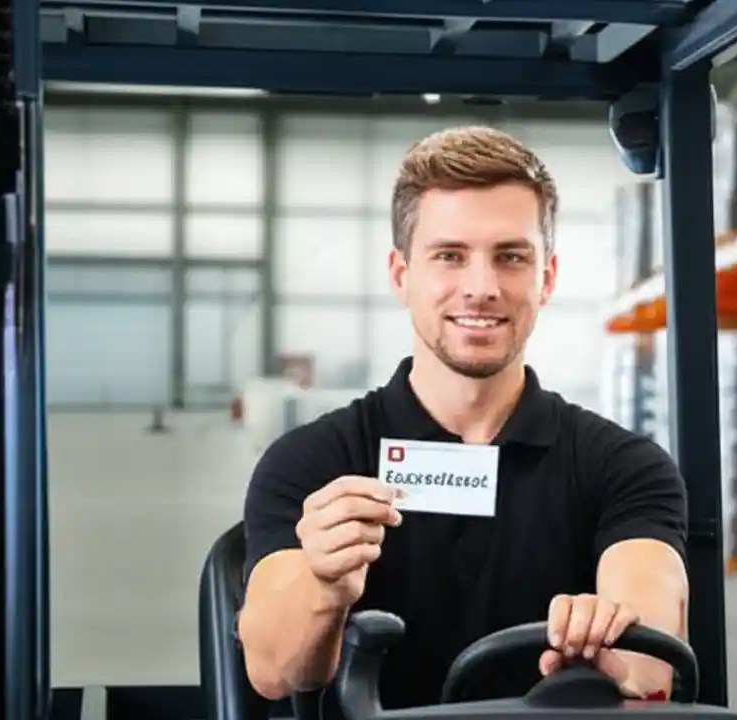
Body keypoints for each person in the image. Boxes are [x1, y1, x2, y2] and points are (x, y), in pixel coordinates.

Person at [236, 125, 690, 710]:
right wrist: (325, 588)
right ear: (402, 276)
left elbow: (653, 648)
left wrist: (623, 658)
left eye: (511, 257)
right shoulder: (312, 464)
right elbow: (272, 673)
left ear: (546, 278)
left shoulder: (623, 468)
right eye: (450, 256)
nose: (481, 288)